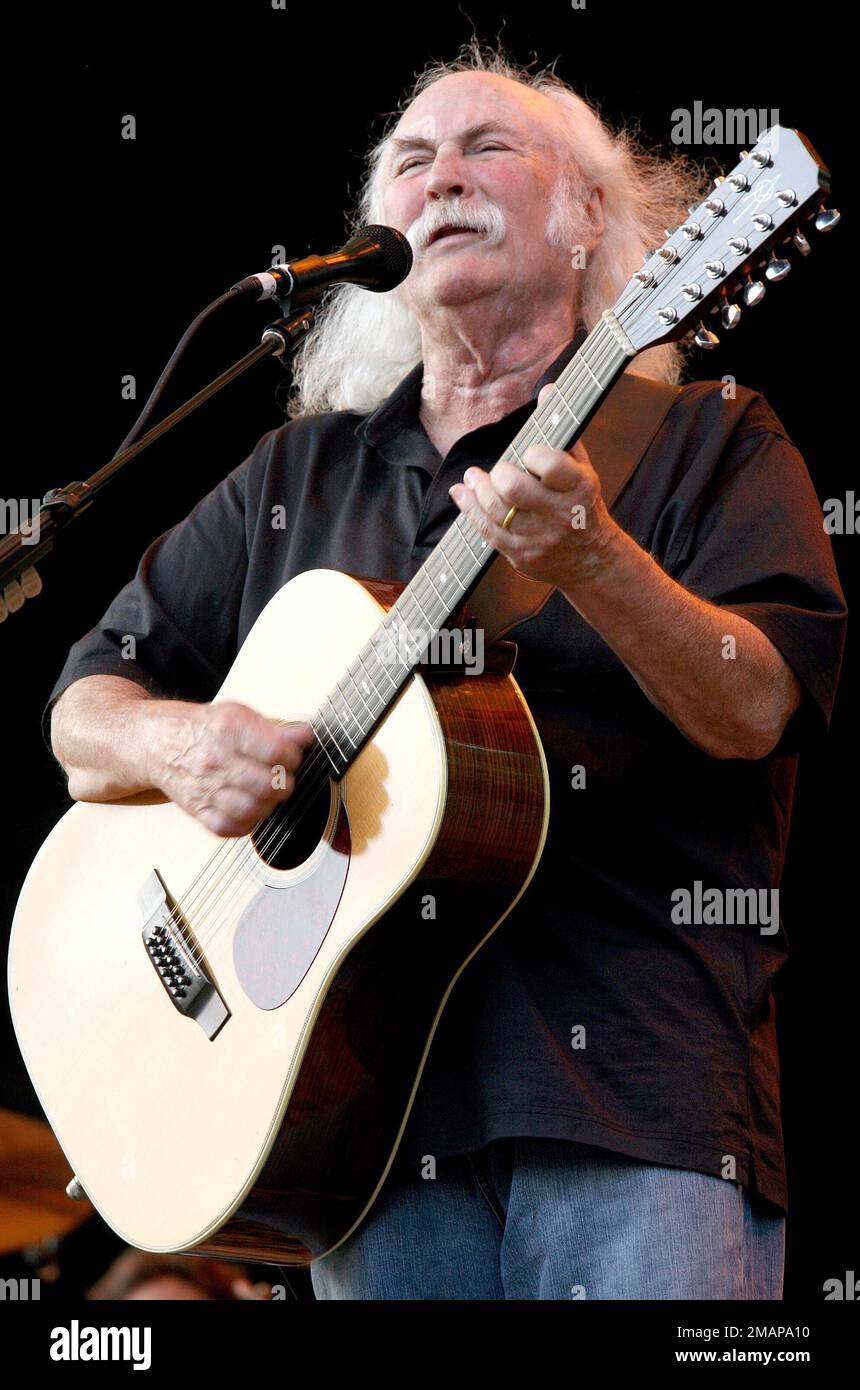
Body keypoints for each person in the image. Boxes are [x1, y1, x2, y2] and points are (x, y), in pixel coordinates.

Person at [45, 43, 847, 1299]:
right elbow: (86, 705)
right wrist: (182, 748)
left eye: (486, 150)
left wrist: (596, 562)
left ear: (588, 220)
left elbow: (757, 706)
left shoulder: (704, 439)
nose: (440, 179)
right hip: (356, 1139)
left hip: (630, 1109)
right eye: (410, 161)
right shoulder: (297, 476)